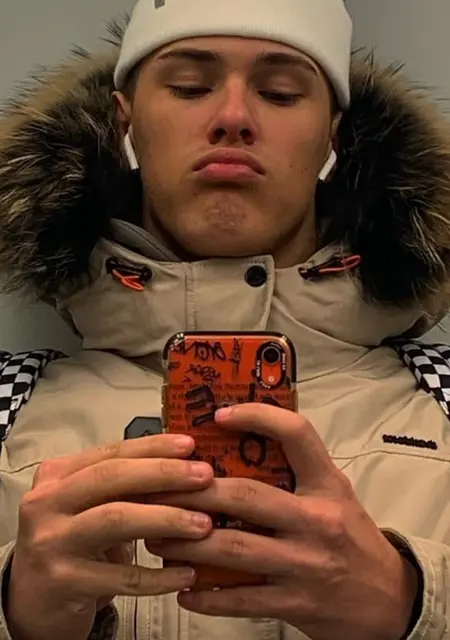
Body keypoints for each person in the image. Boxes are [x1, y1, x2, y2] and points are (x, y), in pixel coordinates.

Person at [0, 0, 450, 638]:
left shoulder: (443, 405)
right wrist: (15, 611)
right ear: (124, 122)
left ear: (335, 135)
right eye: (189, 86)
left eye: (280, 92)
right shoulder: (7, 408)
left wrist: (412, 602)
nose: (233, 117)